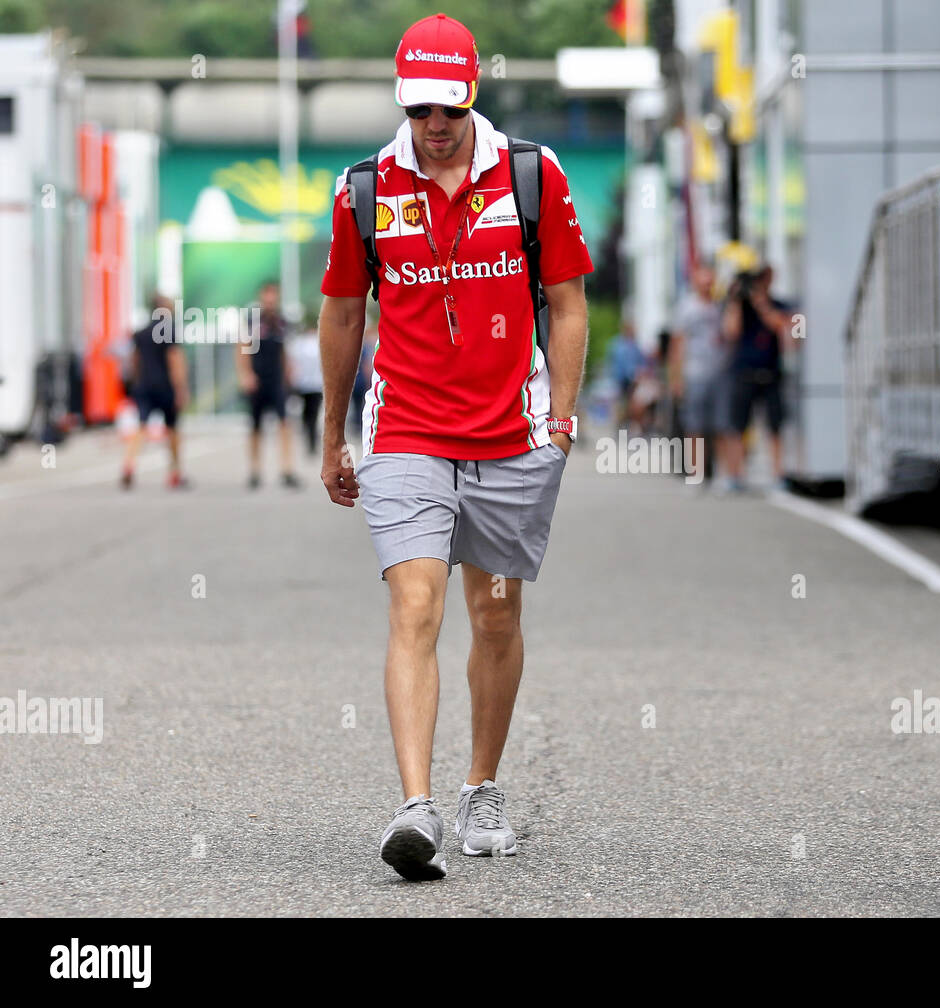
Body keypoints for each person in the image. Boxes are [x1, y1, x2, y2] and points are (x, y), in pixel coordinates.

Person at [317, 12, 593, 881]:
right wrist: (333, 432)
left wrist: (564, 419)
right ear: (403, 102)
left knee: (495, 613)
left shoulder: (530, 176)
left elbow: (570, 303)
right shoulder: (364, 188)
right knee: (417, 605)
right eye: (420, 108)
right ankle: (416, 809)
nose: (435, 125)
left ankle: (481, 788)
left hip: (511, 430)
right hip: (405, 428)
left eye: (450, 106)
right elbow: (343, 312)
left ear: (474, 95)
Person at [721, 264, 795, 491]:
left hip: (771, 372)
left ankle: (778, 473)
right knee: (737, 426)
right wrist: (735, 301)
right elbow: (730, 333)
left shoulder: (779, 304)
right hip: (743, 372)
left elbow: (790, 332)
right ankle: (735, 475)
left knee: (775, 426)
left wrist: (761, 304)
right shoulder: (738, 308)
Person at [121, 294, 189, 489]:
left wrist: (134, 382)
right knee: (173, 429)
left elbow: (134, 360)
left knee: (141, 427)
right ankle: (175, 472)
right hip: (165, 386)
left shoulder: (141, 333)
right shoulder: (168, 331)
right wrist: (181, 388)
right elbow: (175, 359)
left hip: (144, 385)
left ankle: (129, 465)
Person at [237, 281, 299, 489]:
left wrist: (289, 372)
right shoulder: (252, 320)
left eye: (274, 295)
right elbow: (242, 347)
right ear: (261, 297)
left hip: (277, 379)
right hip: (257, 378)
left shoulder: (282, 322)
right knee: (255, 426)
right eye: (267, 295)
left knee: (285, 423)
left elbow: (285, 351)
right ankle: (254, 470)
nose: (270, 299)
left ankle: (287, 469)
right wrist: (246, 374)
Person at [670, 262, 728, 485]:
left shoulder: (720, 306)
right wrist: (676, 378)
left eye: (710, 279)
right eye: (703, 279)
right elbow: (678, 344)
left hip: (720, 372)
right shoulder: (687, 307)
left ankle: (723, 475)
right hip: (694, 373)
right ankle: (697, 473)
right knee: (695, 426)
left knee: (722, 425)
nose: (707, 284)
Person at [287, 312, 324, 456]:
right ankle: (310, 438)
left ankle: (310, 438)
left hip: (310, 384)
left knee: (310, 414)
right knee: (310, 414)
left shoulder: (303, 343)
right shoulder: (312, 343)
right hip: (309, 384)